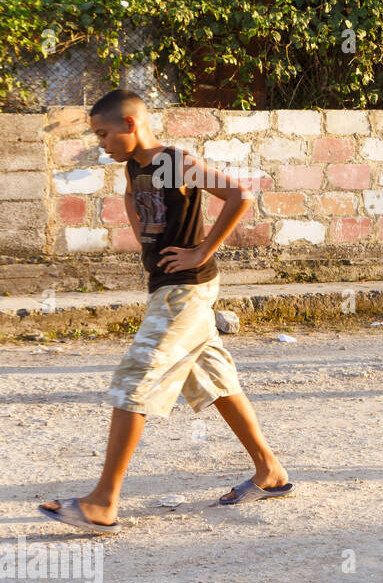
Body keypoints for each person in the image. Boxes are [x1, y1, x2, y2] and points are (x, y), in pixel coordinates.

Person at [39, 90, 292, 534]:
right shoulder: (133, 166)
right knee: (215, 378)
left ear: (130, 125)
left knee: (136, 378)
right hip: (167, 288)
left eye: (103, 133)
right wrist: (147, 243)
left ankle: (103, 502)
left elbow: (240, 194)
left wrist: (200, 251)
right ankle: (269, 471)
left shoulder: (171, 160)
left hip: (186, 289)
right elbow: (135, 208)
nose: (100, 143)